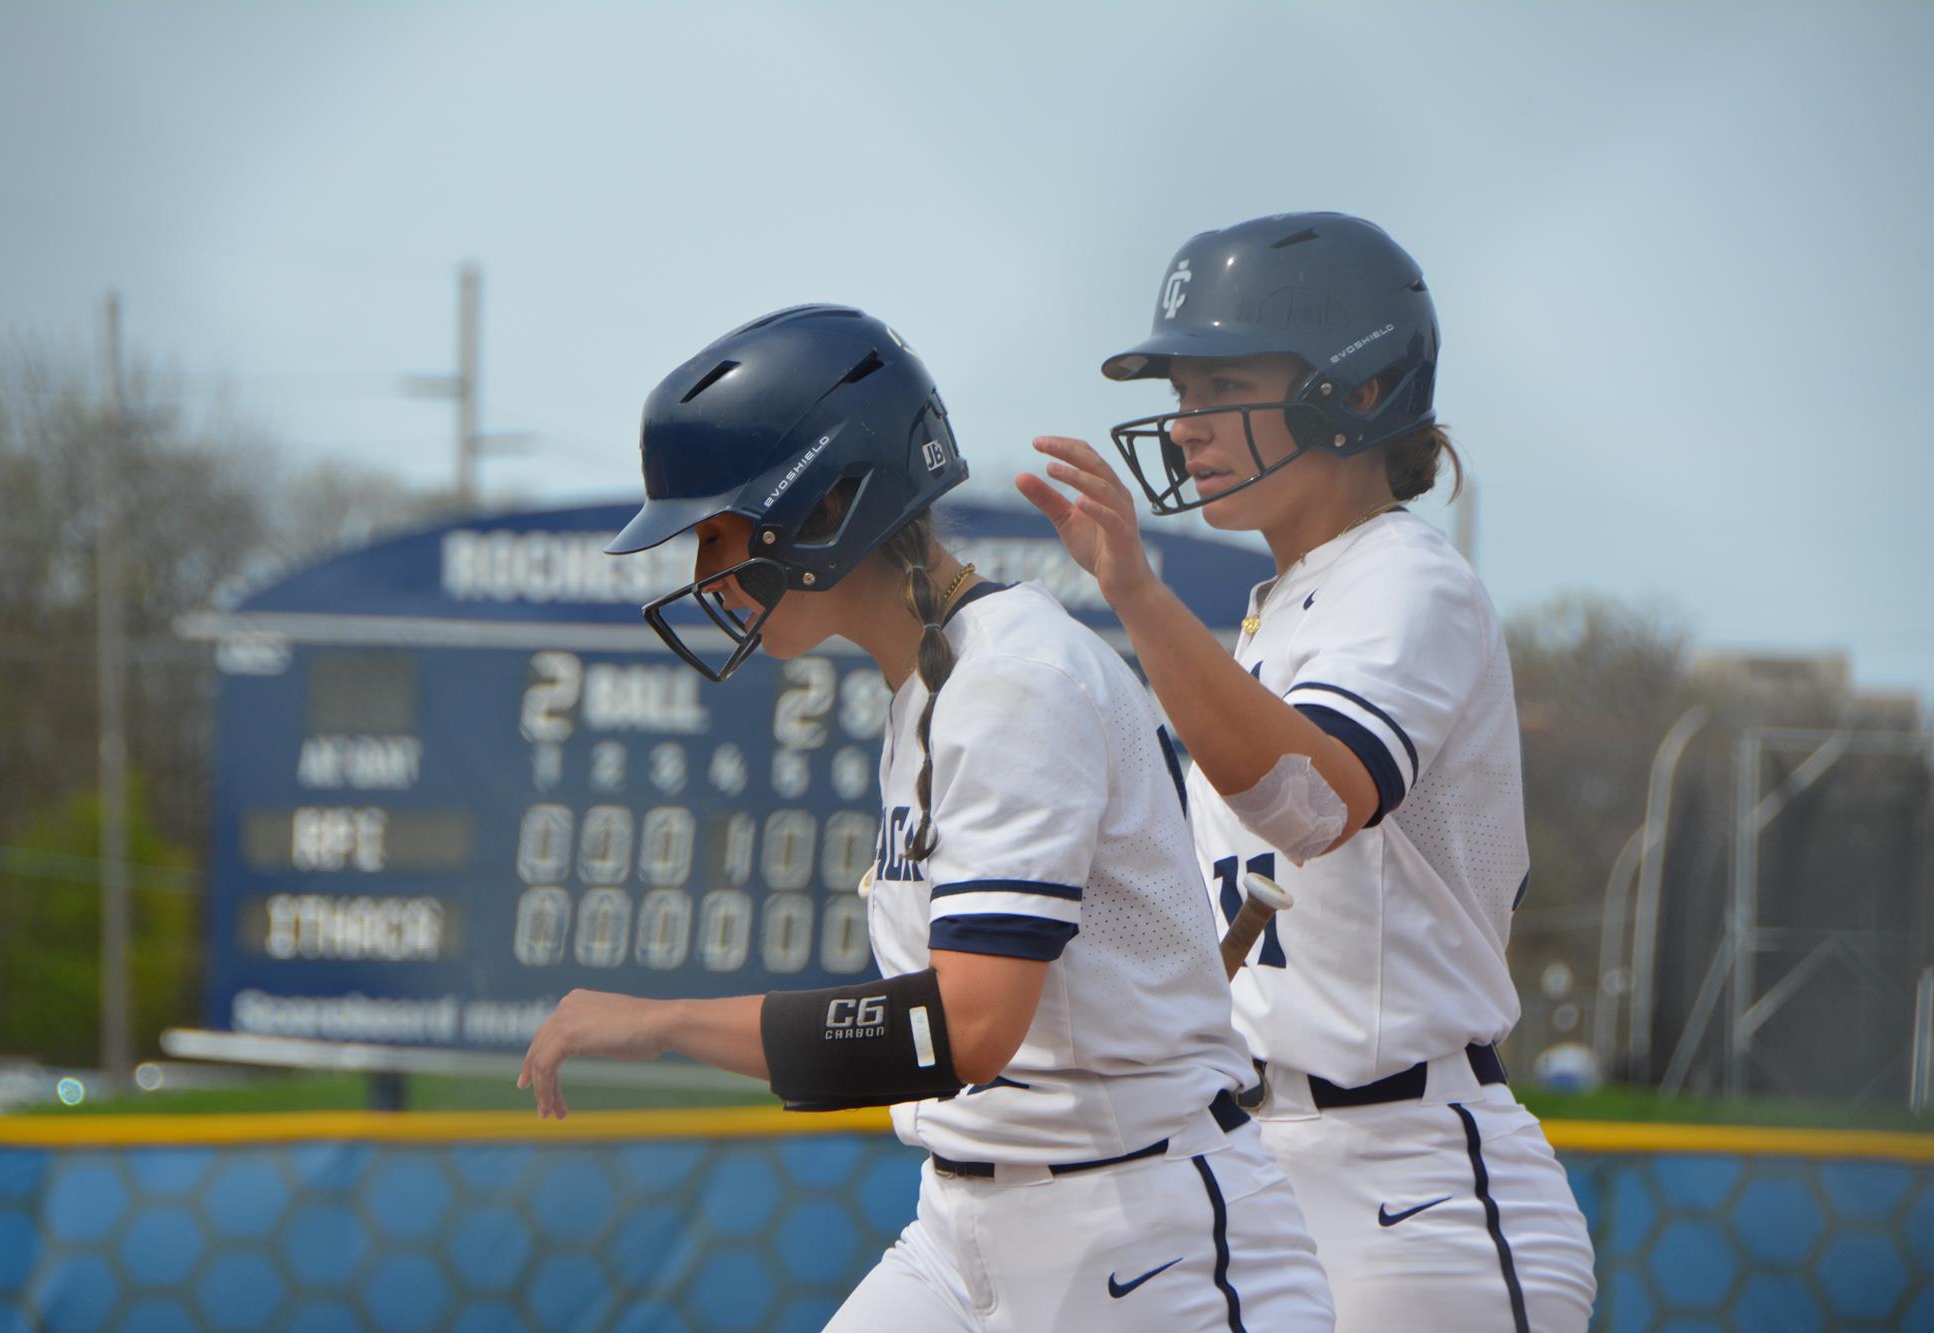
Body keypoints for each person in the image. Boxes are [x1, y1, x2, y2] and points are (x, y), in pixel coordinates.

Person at [519, 304, 1332, 1331]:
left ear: (822, 504)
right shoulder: (932, 686)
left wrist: (665, 1022)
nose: (700, 574)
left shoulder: (1010, 679)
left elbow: (962, 1028)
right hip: (971, 1220)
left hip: (1143, 1239)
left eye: (715, 531)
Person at [1017, 213, 1598, 1332]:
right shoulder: (1277, 612)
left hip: (1408, 1182)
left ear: (1360, 389)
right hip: (1261, 1168)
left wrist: (1134, 592)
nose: (1184, 428)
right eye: (1179, 393)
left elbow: (1310, 799)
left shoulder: (1406, 579)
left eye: (1220, 383)